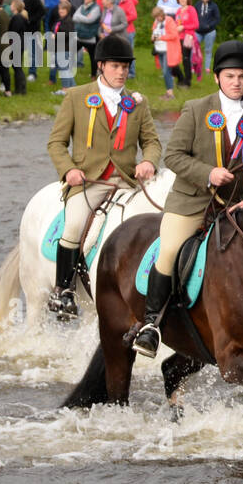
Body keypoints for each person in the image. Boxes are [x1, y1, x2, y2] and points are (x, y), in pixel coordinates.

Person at [127, 40, 243, 358]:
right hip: (192, 202)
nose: (236, 82)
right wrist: (208, 173)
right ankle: (152, 325)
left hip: (239, 205)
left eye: (242, 76)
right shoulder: (196, 109)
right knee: (169, 250)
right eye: (230, 76)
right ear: (217, 78)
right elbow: (173, 155)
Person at [45, 34, 161, 317]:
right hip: (89, 182)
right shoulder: (76, 97)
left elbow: (153, 142)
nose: (121, 72)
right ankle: (65, 291)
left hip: (126, 182)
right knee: (73, 226)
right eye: (115, 66)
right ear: (101, 66)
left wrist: (148, 161)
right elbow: (56, 143)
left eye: (125, 67)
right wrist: (69, 169)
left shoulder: (137, 102)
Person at [151, 4, 181, 97]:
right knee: (164, 71)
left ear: (162, 14)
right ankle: (168, 91)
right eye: (156, 17)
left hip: (168, 50)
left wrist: (161, 38)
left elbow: (174, 35)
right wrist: (153, 37)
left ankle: (170, 93)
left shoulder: (169, 20)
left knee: (166, 71)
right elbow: (154, 32)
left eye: (158, 16)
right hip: (159, 49)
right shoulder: (156, 21)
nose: (157, 18)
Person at [73, 0, 102, 74]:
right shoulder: (82, 6)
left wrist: (80, 17)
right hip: (79, 36)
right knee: (70, 52)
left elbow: (90, 20)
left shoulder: (96, 8)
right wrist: (84, 17)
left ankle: (93, 76)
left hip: (90, 37)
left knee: (92, 57)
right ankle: (66, 71)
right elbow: (74, 17)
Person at [175, 0, 199, 87]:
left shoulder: (191, 9)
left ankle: (187, 81)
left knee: (186, 59)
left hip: (188, 38)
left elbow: (196, 24)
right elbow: (177, 23)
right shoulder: (178, 11)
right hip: (178, 37)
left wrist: (184, 27)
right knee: (178, 59)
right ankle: (181, 78)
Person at [51, 0, 77, 91]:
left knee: (63, 69)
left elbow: (68, 34)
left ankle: (65, 89)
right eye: (60, 9)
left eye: (63, 9)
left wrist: (56, 36)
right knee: (66, 69)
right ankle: (73, 88)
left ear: (67, 10)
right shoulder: (60, 20)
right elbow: (55, 29)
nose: (60, 11)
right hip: (59, 47)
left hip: (65, 48)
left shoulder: (68, 21)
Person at [7, 0, 30, 94]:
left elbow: (13, 32)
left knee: (17, 67)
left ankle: (21, 88)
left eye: (11, 5)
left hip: (16, 44)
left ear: (15, 7)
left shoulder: (17, 18)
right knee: (16, 66)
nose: (10, 6)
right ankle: (19, 88)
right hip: (19, 43)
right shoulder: (20, 17)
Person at [195, 0, 220, 74]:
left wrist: (210, 25)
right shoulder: (197, 5)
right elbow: (193, 16)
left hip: (209, 32)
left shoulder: (214, 6)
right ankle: (195, 66)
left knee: (208, 50)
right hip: (198, 31)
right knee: (194, 48)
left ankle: (207, 68)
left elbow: (217, 19)